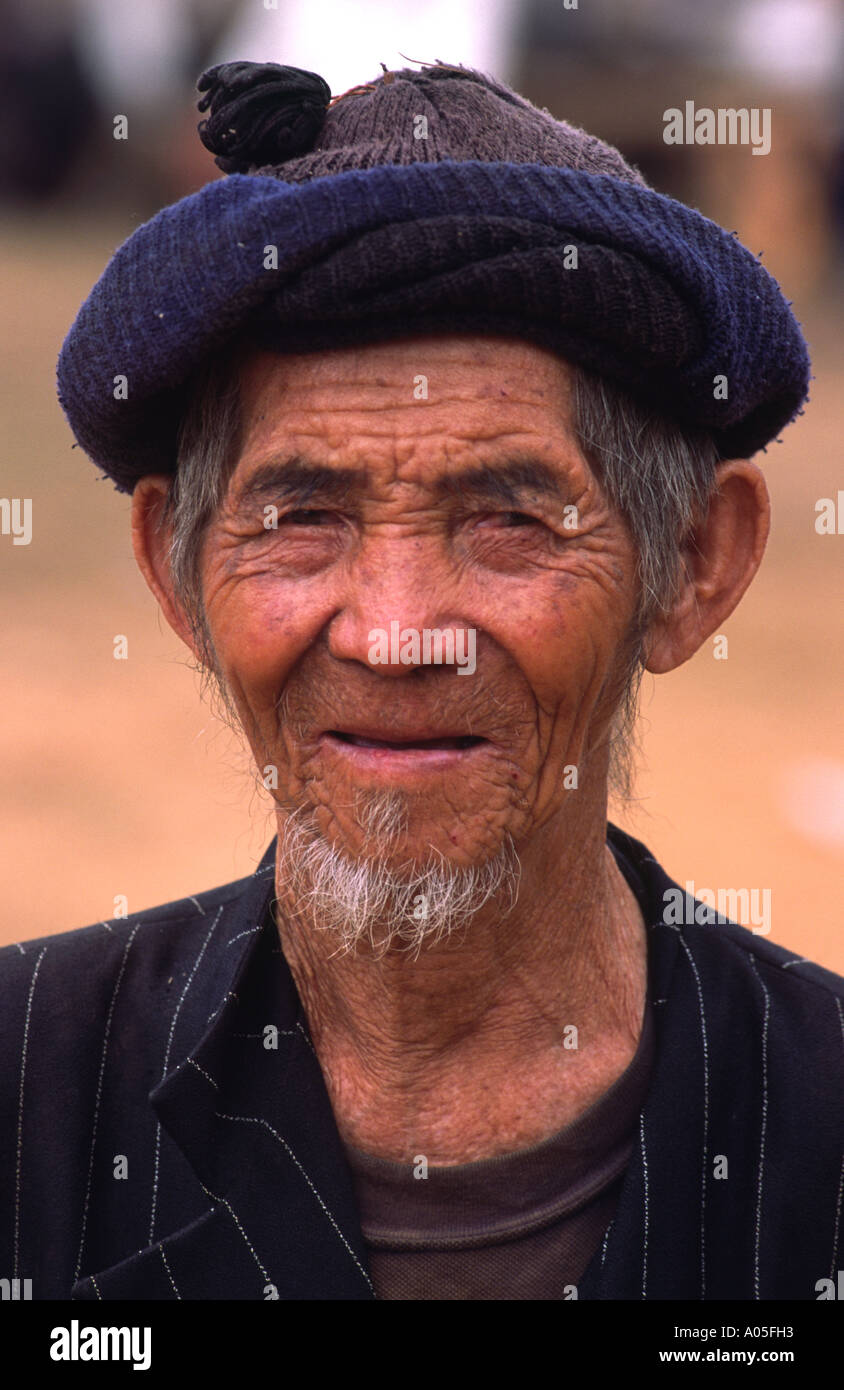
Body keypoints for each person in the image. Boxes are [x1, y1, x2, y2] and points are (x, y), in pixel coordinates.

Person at [2, 61, 841, 1302]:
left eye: (510, 517)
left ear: (691, 566)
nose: (395, 636)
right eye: (300, 516)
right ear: (175, 575)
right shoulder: (27, 1091)